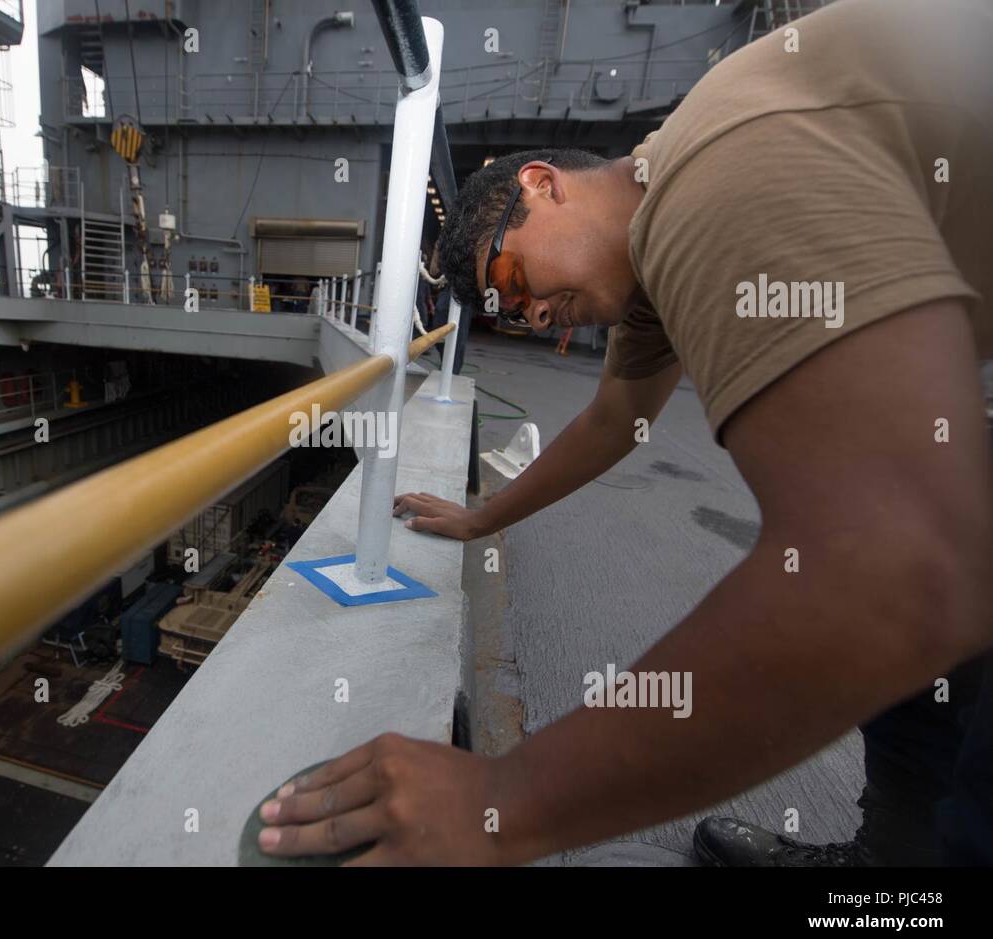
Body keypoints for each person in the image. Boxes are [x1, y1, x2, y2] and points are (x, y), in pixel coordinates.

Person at [252, 0, 992, 866]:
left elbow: (895, 570)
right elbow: (617, 420)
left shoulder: (710, 181)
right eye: (510, 311)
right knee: (929, 696)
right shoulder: (649, 260)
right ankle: (887, 875)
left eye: (512, 274)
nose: (526, 310)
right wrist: (481, 519)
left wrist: (501, 802)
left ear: (542, 182)